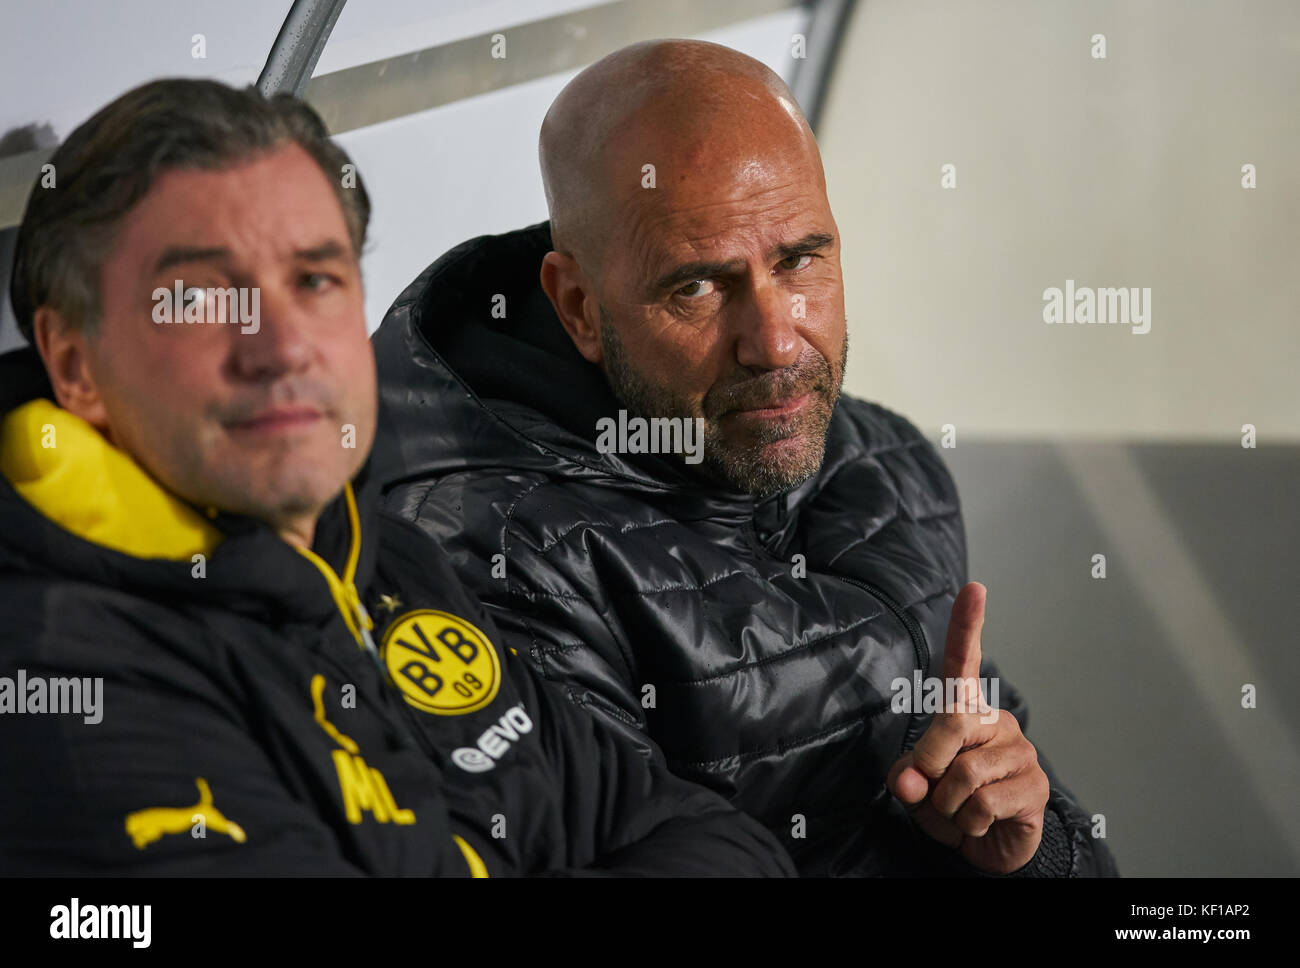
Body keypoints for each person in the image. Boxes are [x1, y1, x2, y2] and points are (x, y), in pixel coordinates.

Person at [0, 77, 795, 877]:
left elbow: (721, 839)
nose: (281, 345)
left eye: (314, 281)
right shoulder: (61, 684)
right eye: (201, 298)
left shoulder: (388, 561)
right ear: (77, 366)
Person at [374, 40, 1118, 876]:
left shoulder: (879, 457)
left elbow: (1036, 819)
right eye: (697, 286)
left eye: (801, 259)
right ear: (578, 306)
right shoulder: (491, 555)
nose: (774, 341)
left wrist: (1027, 850)